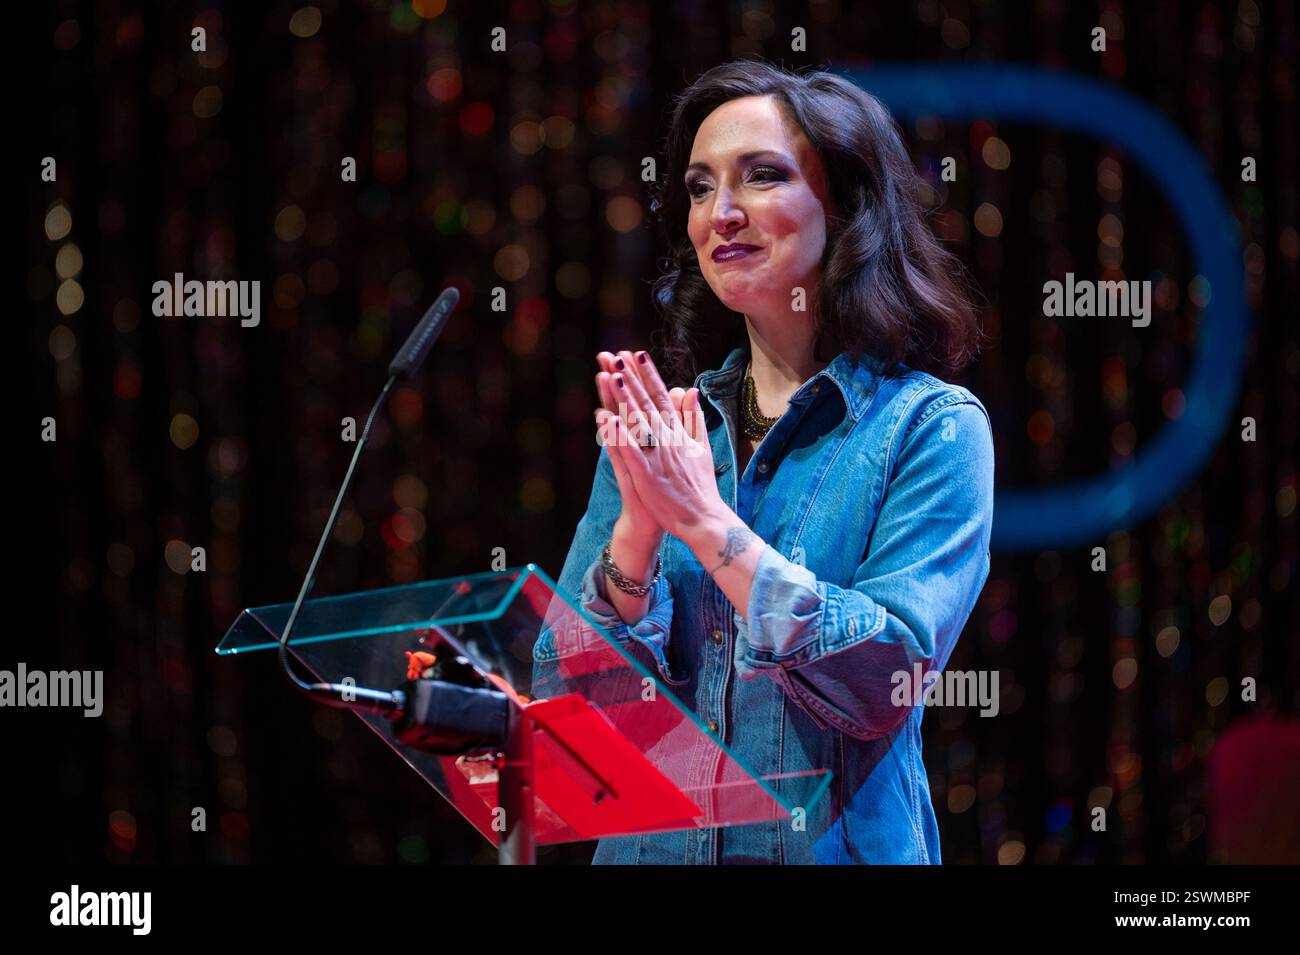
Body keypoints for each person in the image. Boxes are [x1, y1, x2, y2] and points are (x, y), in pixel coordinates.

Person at [535, 59, 994, 864]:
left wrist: (707, 524)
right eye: (701, 187)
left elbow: (882, 679)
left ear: (846, 206)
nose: (722, 213)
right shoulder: (667, 433)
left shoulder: (930, 428)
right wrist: (638, 536)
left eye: (762, 177)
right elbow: (573, 721)